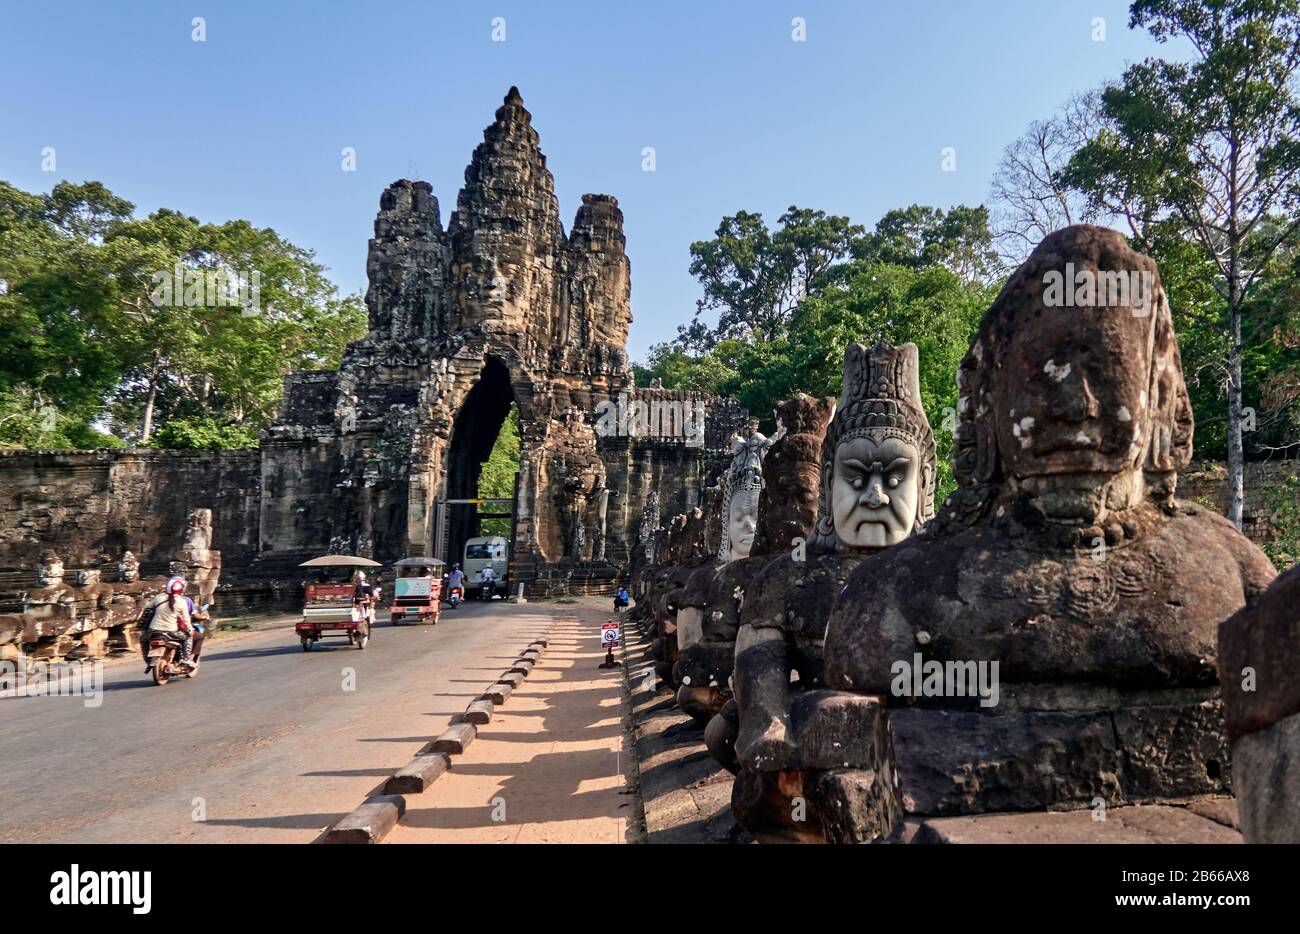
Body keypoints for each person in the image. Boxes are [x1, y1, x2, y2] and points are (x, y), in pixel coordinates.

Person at [144, 577, 195, 671]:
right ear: (182, 589)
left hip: (153, 630)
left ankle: (147, 659)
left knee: (143, 639)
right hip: (170, 632)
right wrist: (190, 630)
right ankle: (186, 658)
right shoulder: (182, 602)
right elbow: (187, 619)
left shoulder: (159, 597)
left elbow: (147, 607)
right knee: (188, 637)